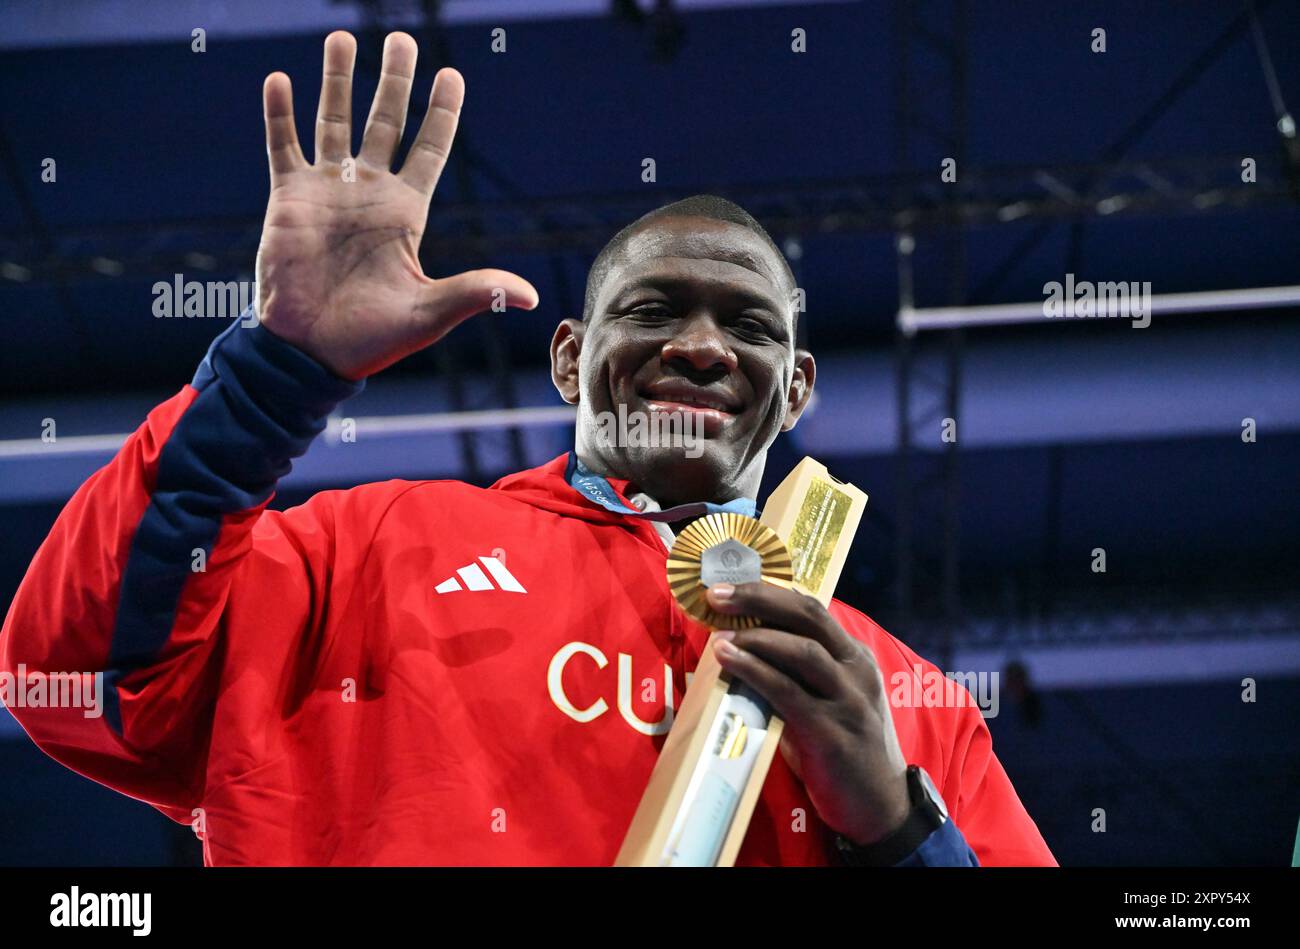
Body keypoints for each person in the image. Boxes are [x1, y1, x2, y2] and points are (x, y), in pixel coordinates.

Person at [0, 31, 1055, 866]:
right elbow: (82, 677)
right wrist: (276, 367)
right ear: (567, 359)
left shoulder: (902, 698)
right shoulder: (365, 553)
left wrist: (897, 830)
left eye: (747, 326)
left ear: (797, 388)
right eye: (652, 311)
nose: (698, 346)